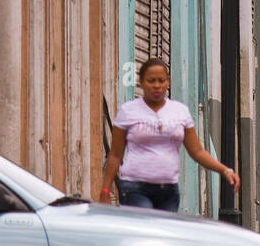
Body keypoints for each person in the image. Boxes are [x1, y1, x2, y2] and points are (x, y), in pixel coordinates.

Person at [99, 58, 239, 212]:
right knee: (148, 226)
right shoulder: (128, 111)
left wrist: (225, 170)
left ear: (168, 82)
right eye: (151, 81)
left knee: (163, 234)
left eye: (161, 80)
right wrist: (105, 189)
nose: (157, 85)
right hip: (135, 188)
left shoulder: (180, 112)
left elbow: (197, 152)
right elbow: (115, 155)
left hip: (168, 191)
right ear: (141, 82)